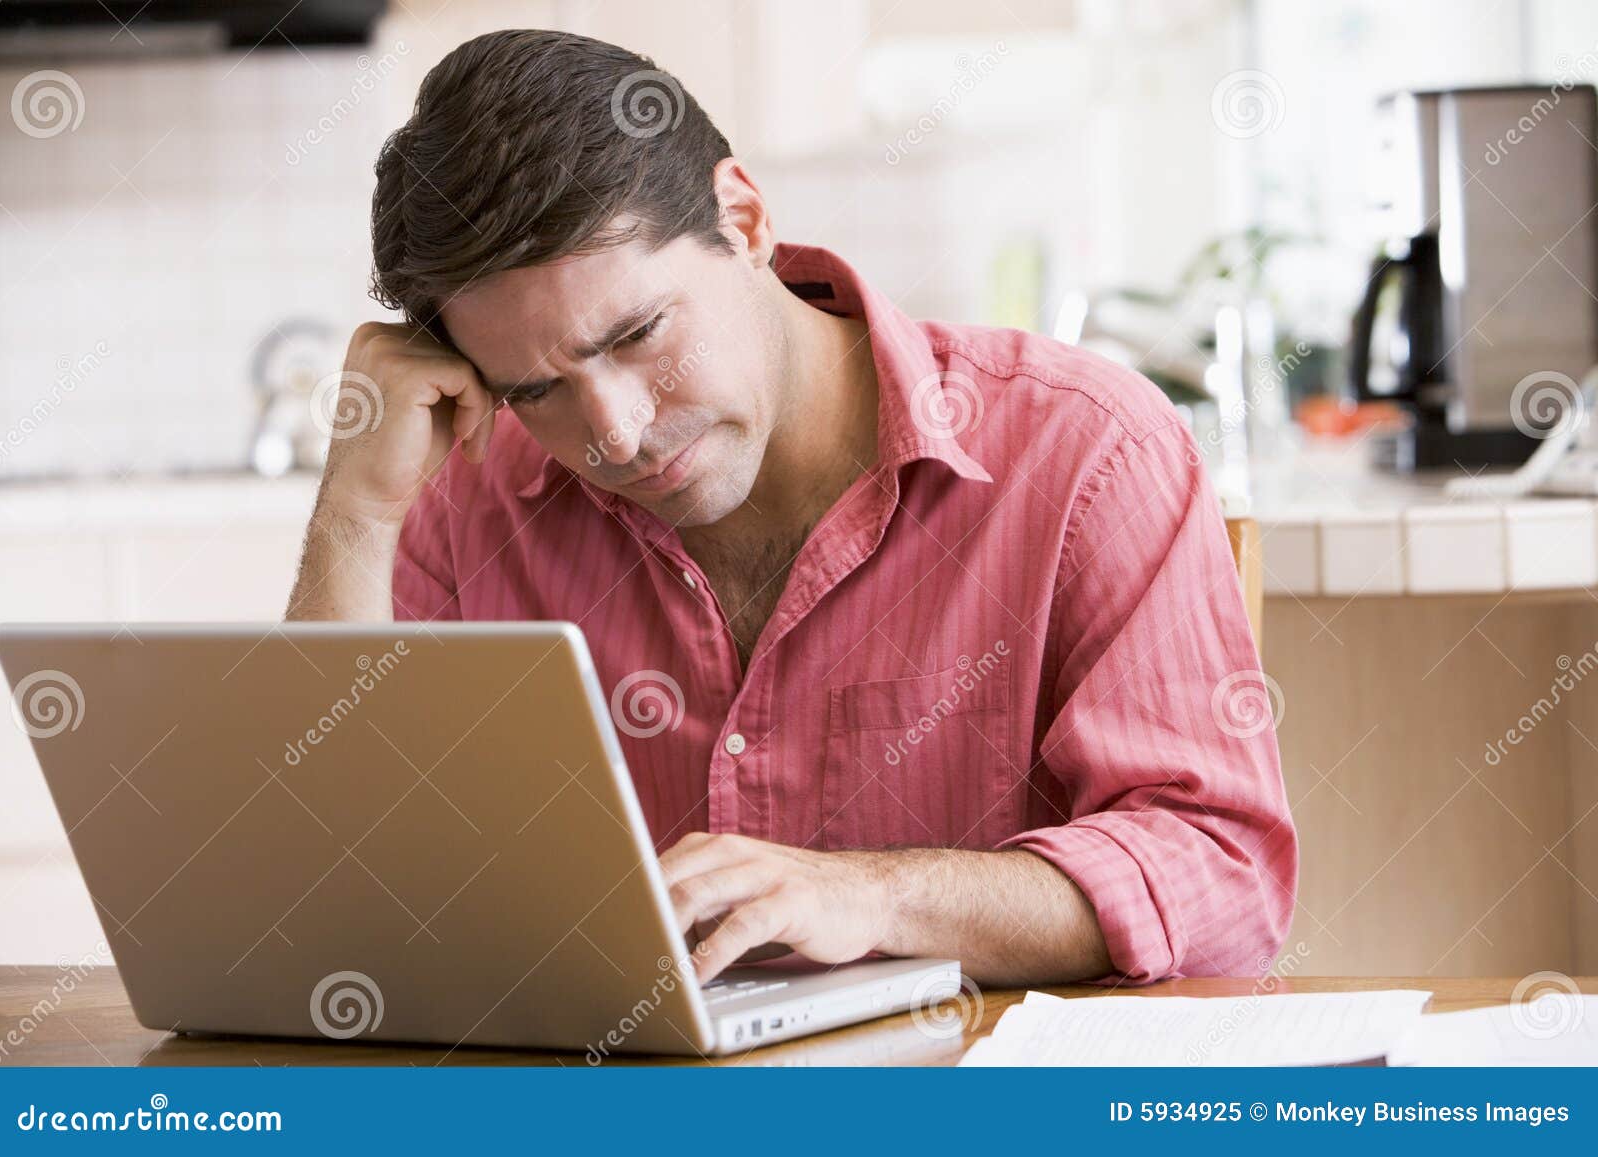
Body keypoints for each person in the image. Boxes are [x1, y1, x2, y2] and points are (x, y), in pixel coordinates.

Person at [286, 29, 1297, 987]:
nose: (617, 434)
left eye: (636, 335)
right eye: (538, 389)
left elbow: (1220, 875)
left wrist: (875, 896)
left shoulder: (1083, 451)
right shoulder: (469, 494)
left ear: (744, 221)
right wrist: (355, 517)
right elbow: (317, 901)